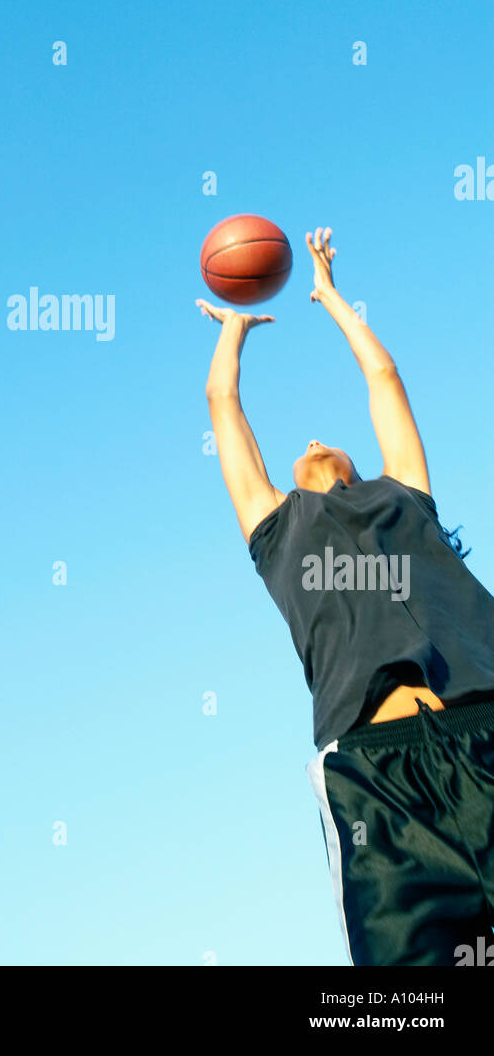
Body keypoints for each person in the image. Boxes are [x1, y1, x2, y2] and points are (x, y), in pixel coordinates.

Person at [197, 227, 494, 966]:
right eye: (303, 447)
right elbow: (222, 403)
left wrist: (330, 296)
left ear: (361, 467)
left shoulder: (406, 497)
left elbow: (385, 380)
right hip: (376, 780)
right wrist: (234, 330)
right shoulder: (276, 531)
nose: (316, 437)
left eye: (333, 439)